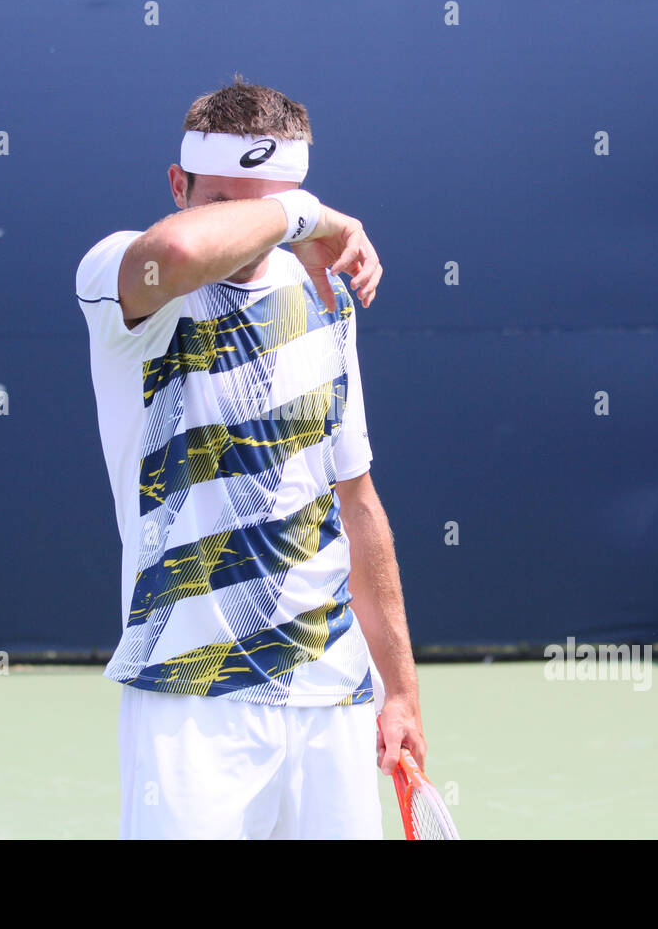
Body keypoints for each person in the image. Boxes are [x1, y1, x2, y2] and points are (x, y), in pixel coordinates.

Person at [75, 76, 423, 839]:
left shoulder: (324, 297)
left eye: (265, 204)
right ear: (177, 185)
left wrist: (399, 690)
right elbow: (180, 249)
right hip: (190, 696)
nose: (249, 228)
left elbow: (355, 501)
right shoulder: (126, 277)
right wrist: (304, 213)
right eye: (222, 202)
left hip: (331, 692)